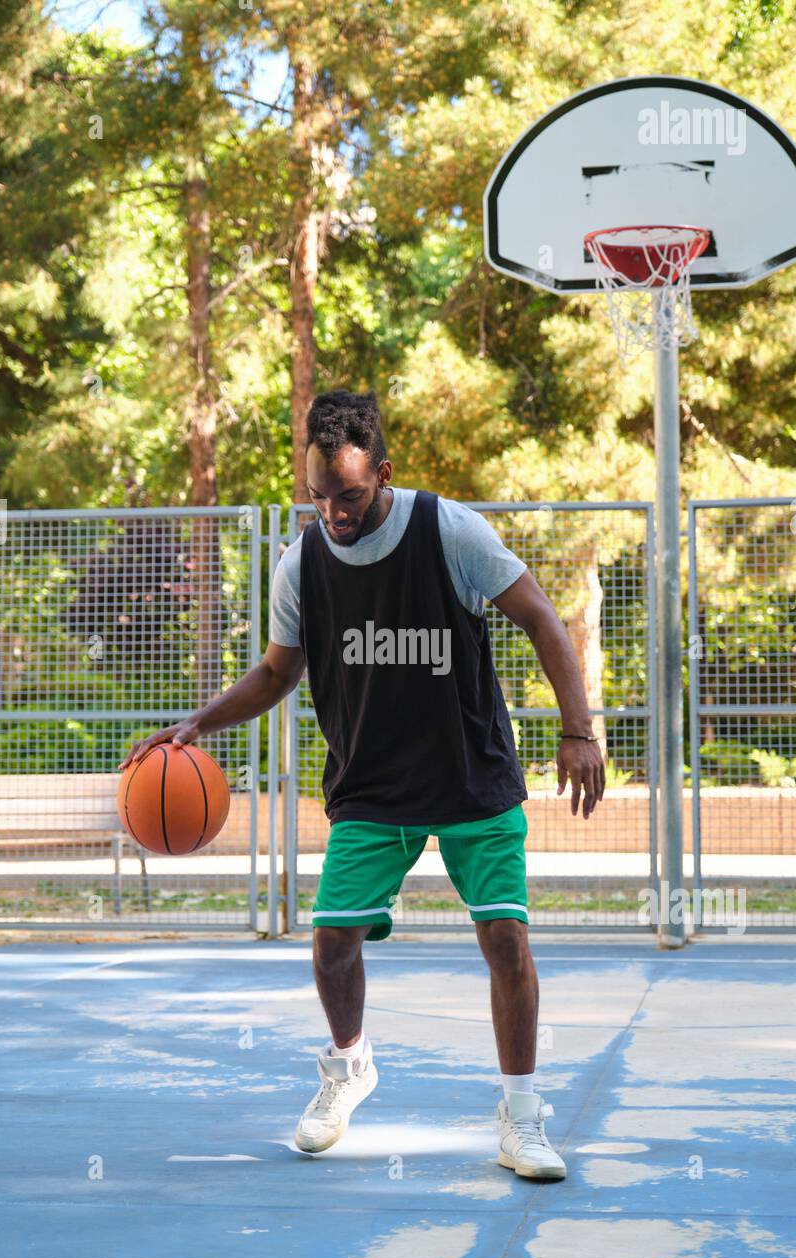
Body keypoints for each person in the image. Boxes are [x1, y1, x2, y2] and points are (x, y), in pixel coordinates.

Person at [119, 390, 604, 1181]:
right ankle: (349, 1068)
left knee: (506, 941)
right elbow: (278, 672)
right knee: (332, 945)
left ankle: (521, 1118)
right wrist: (196, 725)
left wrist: (579, 731)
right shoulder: (301, 564)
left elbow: (544, 619)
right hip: (370, 787)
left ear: (382, 472)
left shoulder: (449, 530)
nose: (333, 512)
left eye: (347, 494)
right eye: (317, 496)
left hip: (470, 776)